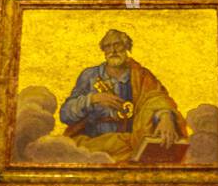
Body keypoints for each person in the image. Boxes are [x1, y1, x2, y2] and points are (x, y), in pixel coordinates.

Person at [59, 29, 187, 163]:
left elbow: (156, 97)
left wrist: (165, 116)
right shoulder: (89, 76)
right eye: (108, 46)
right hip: (93, 146)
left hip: (130, 146)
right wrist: (92, 99)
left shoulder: (141, 75)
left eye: (117, 44)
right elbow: (65, 114)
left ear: (126, 47)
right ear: (103, 51)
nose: (113, 50)